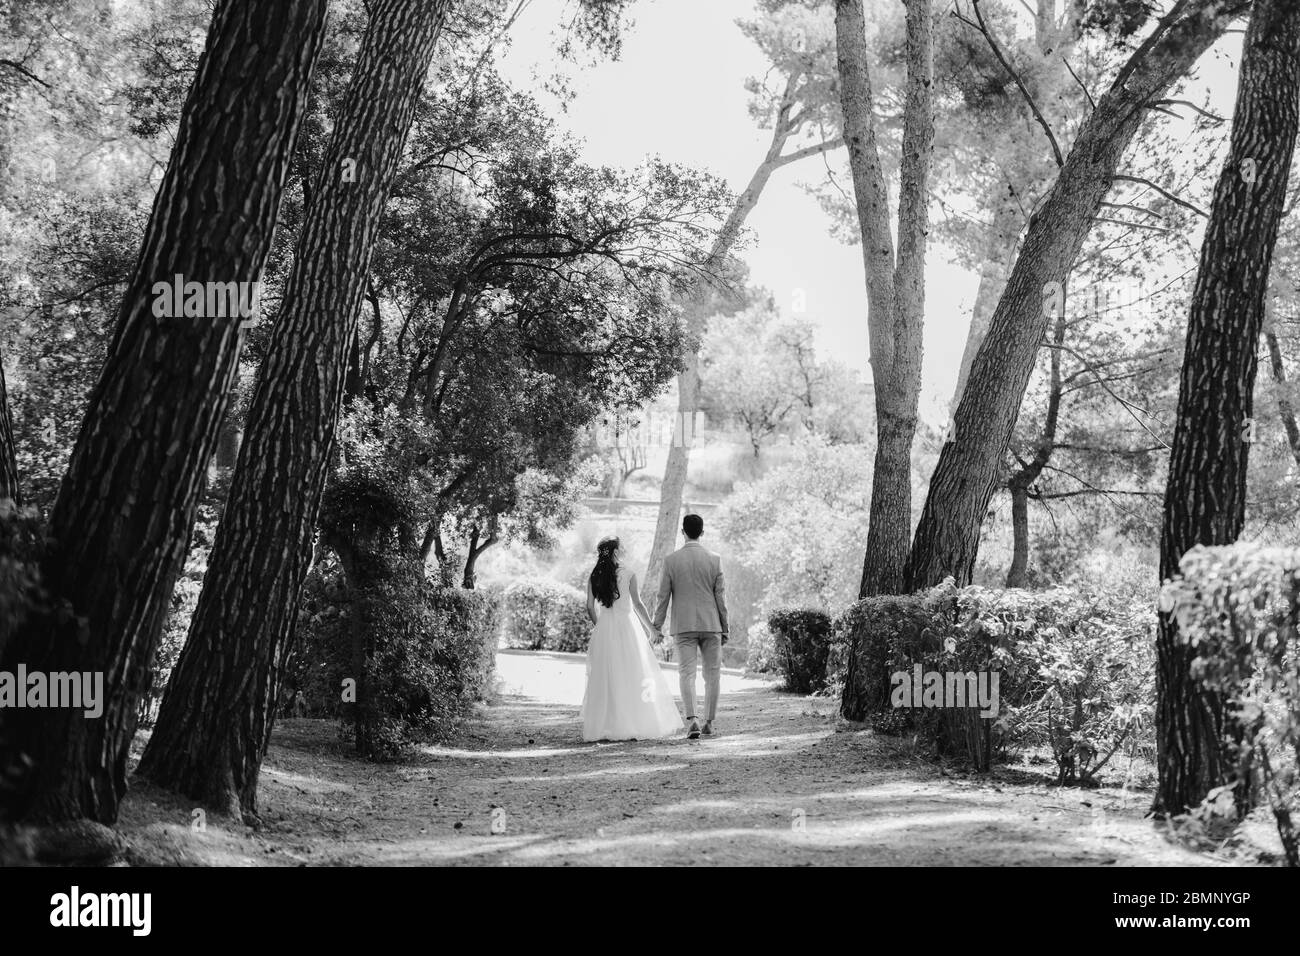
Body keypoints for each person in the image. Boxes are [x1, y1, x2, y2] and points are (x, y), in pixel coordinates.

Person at [580, 537, 683, 742]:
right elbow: (637, 604)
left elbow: (590, 607)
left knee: (605, 677)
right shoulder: (628, 574)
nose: (623, 550)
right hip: (627, 628)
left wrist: (599, 625)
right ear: (616, 552)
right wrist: (652, 630)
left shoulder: (595, 575)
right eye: (621, 548)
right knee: (633, 674)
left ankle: (605, 725)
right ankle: (632, 723)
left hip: (604, 629)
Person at [652, 513, 728, 739]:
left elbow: (662, 597)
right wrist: (725, 627)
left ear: (682, 532)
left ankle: (692, 720)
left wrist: (656, 626)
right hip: (711, 624)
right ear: (702, 533)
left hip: (684, 625)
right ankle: (709, 723)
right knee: (712, 675)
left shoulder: (671, 561)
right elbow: (721, 599)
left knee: (687, 674)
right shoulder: (714, 559)